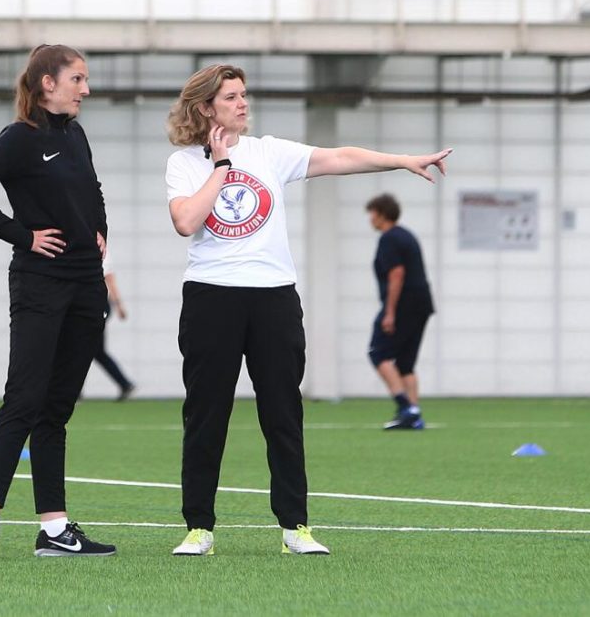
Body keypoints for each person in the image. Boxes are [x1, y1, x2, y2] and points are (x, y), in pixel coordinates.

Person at [164, 64, 450, 556]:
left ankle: (295, 526)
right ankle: (199, 528)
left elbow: (340, 157)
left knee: (283, 412)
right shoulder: (184, 163)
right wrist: (220, 165)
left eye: (244, 94)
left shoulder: (269, 152)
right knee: (206, 414)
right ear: (206, 106)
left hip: (274, 297)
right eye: (232, 97)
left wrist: (402, 160)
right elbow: (187, 221)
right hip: (212, 297)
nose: (242, 103)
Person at [0, 44, 116, 561]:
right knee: (23, 400)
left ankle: (55, 530)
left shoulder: (76, 133)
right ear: (48, 83)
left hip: (87, 285)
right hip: (40, 283)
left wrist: (101, 230)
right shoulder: (20, 139)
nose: (86, 89)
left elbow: (92, 189)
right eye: (78, 80)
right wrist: (23, 235)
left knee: (56, 411)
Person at [366, 193, 435, 430]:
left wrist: (389, 311)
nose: (370, 219)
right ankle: (414, 416)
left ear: (382, 214)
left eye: (372, 213)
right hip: (422, 304)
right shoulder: (406, 235)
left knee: (378, 352)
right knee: (405, 362)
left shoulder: (389, 239)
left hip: (404, 304)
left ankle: (407, 408)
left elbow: (397, 274)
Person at [92, 251, 135, 400]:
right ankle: (124, 384)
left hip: (96, 304)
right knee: (95, 351)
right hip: (92, 303)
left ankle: (73, 392)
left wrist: (119, 305)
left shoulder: (100, 249)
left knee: (85, 348)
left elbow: (110, 281)